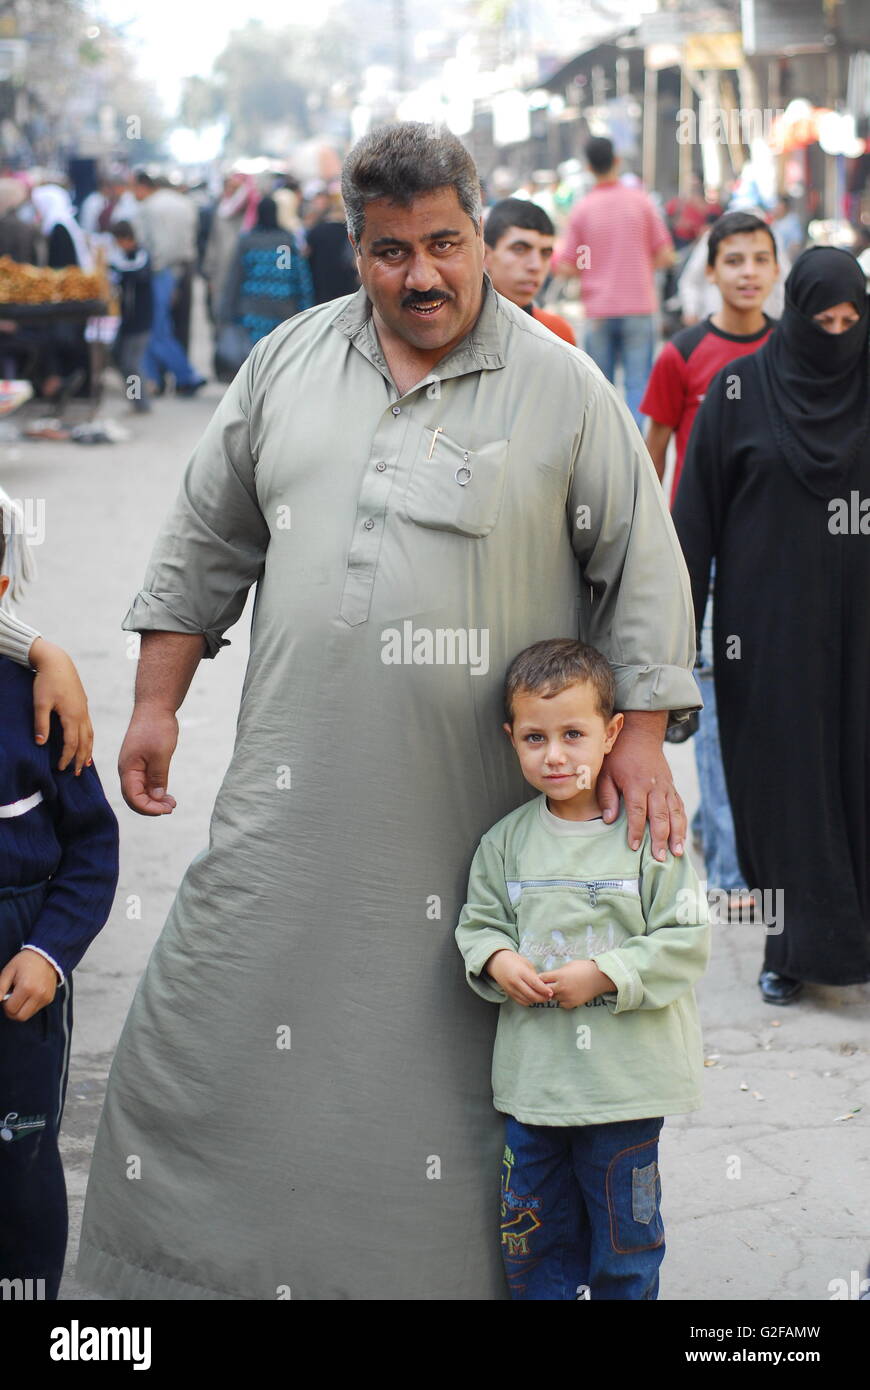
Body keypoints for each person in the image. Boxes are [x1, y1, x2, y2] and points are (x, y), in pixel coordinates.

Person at [76, 122, 699, 1302]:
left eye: (447, 244)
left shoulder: (564, 385)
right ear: (352, 248)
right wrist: (156, 702)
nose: (422, 274)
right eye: (389, 250)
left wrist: (645, 742)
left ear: (480, 229)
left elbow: (644, 567)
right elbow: (208, 535)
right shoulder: (287, 363)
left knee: (459, 1040)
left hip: (474, 815)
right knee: (207, 1017)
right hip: (291, 792)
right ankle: (185, 1278)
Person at [455, 638, 709, 1300]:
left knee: (626, 1244)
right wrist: (498, 959)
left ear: (612, 732)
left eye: (574, 733)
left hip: (624, 1092)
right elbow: (477, 926)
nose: (556, 754)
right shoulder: (504, 843)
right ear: (511, 739)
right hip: (535, 1093)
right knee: (535, 1244)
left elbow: (686, 938)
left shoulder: (646, 837)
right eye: (535, 738)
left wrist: (604, 973)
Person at [672, 247, 870, 1006]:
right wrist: (675, 644)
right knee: (785, 783)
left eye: (853, 320)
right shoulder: (738, 390)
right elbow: (695, 519)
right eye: (825, 320)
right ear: (798, 312)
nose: (840, 333)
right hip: (769, 628)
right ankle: (792, 946)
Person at [643, 212, 778, 914]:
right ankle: (729, 869)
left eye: (761, 259)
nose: (748, 272)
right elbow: (653, 453)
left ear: (776, 270)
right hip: (708, 563)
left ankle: (741, 840)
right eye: (734, 260)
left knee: (772, 711)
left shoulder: (793, 351)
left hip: (780, 565)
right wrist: (660, 552)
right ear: (712, 270)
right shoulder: (683, 354)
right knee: (719, 713)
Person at [0, 499, 119, 1301]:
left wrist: (50, 953)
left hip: (22, 965)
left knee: (20, 1149)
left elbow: (91, 848)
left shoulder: (37, 704)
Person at [552, 136, 675, 425]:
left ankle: (608, 456)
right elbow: (667, 254)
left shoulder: (582, 209)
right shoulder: (640, 202)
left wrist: (592, 267)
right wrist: (641, 264)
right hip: (639, 307)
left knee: (600, 388)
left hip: (599, 311)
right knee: (638, 384)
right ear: (617, 162)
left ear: (589, 167)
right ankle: (636, 454)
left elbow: (567, 265)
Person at [131, 171, 205, 397]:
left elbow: (154, 245)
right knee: (175, 327)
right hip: (183, 268)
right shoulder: (185, 203)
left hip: (160, 272)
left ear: (143, 186)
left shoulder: (149, 207)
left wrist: (157, 269)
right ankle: (161, 379)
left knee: (156, 330)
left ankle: (184, 376)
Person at [218, 195, 313, 347]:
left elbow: (235, 278)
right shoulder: (287, 240)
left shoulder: (248, 241)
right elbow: (300, 278)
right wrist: (307, 310)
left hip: (253, 313)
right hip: (284, 312)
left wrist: (226, 313)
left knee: (255, 359)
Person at [483, 198, 575, 344]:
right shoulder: (454, 333)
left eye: (545, 253)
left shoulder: (557, 332)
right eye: (519, 249)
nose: (536, 266)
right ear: (485, 255)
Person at [108, 220, 154, 414]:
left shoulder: (141, 256)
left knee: (130, 364)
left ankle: (139, 402)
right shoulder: (122, 257)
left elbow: (136, 273)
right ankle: (136, 398)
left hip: (140, 320)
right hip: (126, 320)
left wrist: (114, 270)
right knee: (120, 359)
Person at [303, 188, 360, 304]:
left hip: (320, 287)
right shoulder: (350, 233)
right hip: (346, 289)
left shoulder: (315, 231)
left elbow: (307, 258)